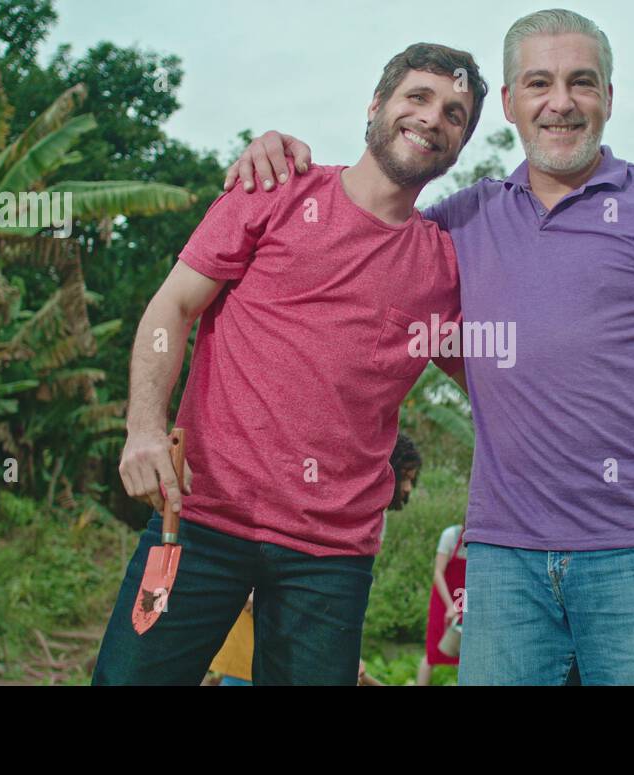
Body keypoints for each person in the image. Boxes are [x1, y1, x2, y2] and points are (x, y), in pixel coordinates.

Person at [223, 9, 634, 686]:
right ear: (511, 103)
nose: (562, 102)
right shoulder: (460, 221)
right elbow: (366, 222)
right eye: (539, 83)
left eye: (582, 82)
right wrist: (279, 157)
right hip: (505, 562)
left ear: (608, 97)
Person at [91, 43, 484, 685]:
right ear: (377, 104)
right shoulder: (275, 188)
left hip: (330, 559)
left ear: (461, 143)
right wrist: (143, 426)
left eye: (455, 113)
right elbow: (172, 307)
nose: (433, 118)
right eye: (418, 97)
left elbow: (504, 381)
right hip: (196, 525)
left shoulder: (444, 270)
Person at [210, 433, 423, 686]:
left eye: (412, 480)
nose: (408, 488)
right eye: (405, 477)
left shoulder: (378, 520)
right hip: (261, 602)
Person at [416, 521, 466, 685]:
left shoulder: (482, 542)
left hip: (464, 599)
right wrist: (450, 606)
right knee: (432, 652)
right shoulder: (450, 535)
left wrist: (460, 606)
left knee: (465, 654)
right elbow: (438, 572)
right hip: (443, 598)